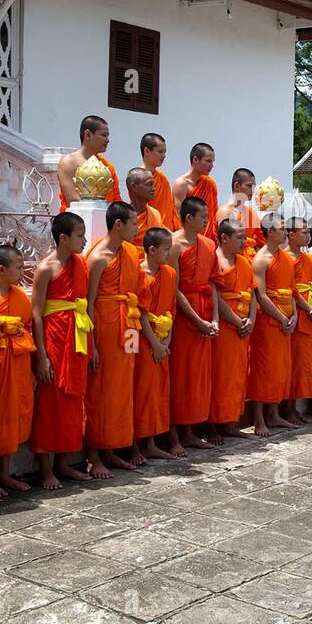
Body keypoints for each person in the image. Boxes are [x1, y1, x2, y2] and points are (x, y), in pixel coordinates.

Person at [30, 212, 93, 488]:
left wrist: (93, 347)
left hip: (76, 338)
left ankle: (63, 464)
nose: (84, 240)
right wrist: (41, 355)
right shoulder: (47, 268)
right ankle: (45, 469)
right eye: (80, 235)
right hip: (54, 341)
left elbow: (85, 306)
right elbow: (36, 314)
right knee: (49, 404)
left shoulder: (80, 263)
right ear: (64, 238)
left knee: (71, 404)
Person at [84, 202, 143, 478]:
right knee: (101, 391)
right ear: (118, 225)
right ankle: (94, 455)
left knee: (123, 387)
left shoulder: (129, 252)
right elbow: (88, 303)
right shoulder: (98, 258)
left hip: (129, 326)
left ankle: (112, 450)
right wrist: (92, 344)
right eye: (133, 223)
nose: (137, 228)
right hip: (106, 328)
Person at [0, 245, 35, 497]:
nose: (23, 271)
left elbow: (28, 328)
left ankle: (4, 474)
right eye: (19, 267)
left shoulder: (20, 295)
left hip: (19, 364)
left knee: (10, 421)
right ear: (1, 269)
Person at [168, 196, 219, 450]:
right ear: (188, 218)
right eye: (203, 217)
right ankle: (175, 435)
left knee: (197, 377)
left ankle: (190, 431)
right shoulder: (174, 245)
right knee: (180, 375)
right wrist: (197, 320)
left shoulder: (209, 244)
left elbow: (212, 282)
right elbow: (173, 289)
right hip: (184, 317)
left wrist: (214, 318)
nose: (207, 221)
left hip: (205, 311)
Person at [247, 212, 297, 435]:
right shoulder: (261, 259)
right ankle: (259, 419)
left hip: (286, 318)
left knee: (280, 368)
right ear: (269, 232)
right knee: (263, 368)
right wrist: (281, 317)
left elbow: (292, 290)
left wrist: (294, 315)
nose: (285, 232)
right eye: (281, 228)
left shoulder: (285, 257)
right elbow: (261, 295)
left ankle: (274, 414)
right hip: (268, 321)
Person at [133, 227, 178, 462]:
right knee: (140, 390)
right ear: (151, 250)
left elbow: (171, 307)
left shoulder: (169, 273)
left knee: (158, 391)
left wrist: (167, 339)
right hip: (141, 337)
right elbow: (140, 312)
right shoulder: (138, 273)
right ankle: (135, 445)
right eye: (166, 249)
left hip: (163, 337)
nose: (169, 254)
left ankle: (150, 443)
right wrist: (154, 342)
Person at [210, 218, 256, 441]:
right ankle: (214, 425)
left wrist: (250, 320)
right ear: (224, 238)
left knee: (237, 376)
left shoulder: (244, 262)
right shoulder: (215, 262)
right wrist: (238, 322)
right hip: (226, 327)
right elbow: (215, 298)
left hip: (243, 326)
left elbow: (253, 293)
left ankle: (230, 421)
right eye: (240, 237)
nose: (244, 242)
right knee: (220, 376)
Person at [285, 217, 312, 420]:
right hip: (296, 313)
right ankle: (289, 408)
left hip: (311, 314)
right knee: (293, 363)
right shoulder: (285, 259)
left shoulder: (308, 259)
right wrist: (310, 307)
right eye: (303, 232)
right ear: (291, 235)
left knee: (307, 363)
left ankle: (301, 406)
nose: (306, 235)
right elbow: (292, 290)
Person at [56, 115, 122, 209]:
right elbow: (73, 200)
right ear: (88, 134)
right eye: (103, 135)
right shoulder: (69, 162)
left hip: (106, 220)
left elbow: (116, 201)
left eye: (107, 136)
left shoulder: (107, 166)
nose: (107, 140)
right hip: (76, 221)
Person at [217, 168, 264, 263]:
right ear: (237, 186)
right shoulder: (225, 212)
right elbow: (225, 243)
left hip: (251, 263)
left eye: (253, 187)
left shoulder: (251, 212)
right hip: (231, 262)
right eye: (249, 186)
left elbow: (261, 242)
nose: (252, 190)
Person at [142, 132, 178, 230]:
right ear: (147, 151)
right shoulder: (138, 178)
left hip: (167, 231)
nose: (164, 155)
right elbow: (141, 209)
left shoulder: (162, 178)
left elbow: (171, 209)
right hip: (149, 231)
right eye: (160, 151)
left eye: (164, 152)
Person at [173, 143, 218, 215]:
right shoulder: (182, 184)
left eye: (212, 162)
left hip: (208, 225)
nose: (211, 166)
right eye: (208, 161)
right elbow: (178, 215)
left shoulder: (210, 183)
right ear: (195, 159)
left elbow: (214, 213)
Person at [126, 167, 165, 248]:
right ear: (133, 186)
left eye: (153, 184)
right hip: (129, 259)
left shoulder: (155, 214)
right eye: (149, 184)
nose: (154, 189)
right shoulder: (123, 216)